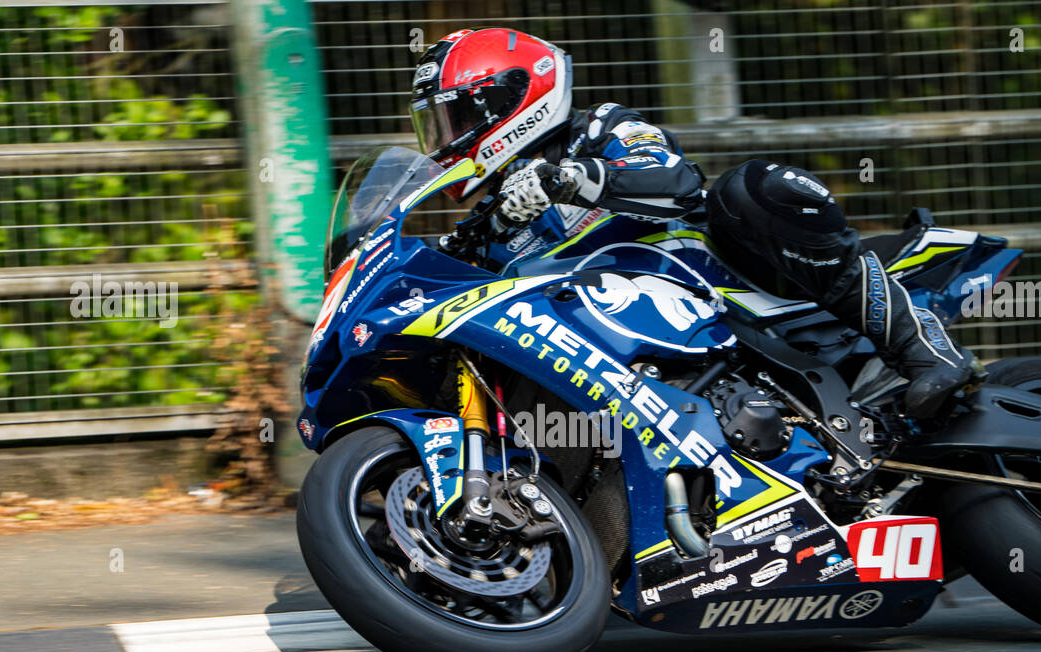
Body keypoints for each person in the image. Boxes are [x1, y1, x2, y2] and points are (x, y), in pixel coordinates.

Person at [409, 27, 980, 417]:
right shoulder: (495, 219)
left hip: (730, 288)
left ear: (509, 99)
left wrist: (568, 179)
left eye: (455, 117)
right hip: (619, 356)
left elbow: (676, 182)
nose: (444, 138)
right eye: (435, 124)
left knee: (753, 187)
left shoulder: (601, 128)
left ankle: (921, 343)